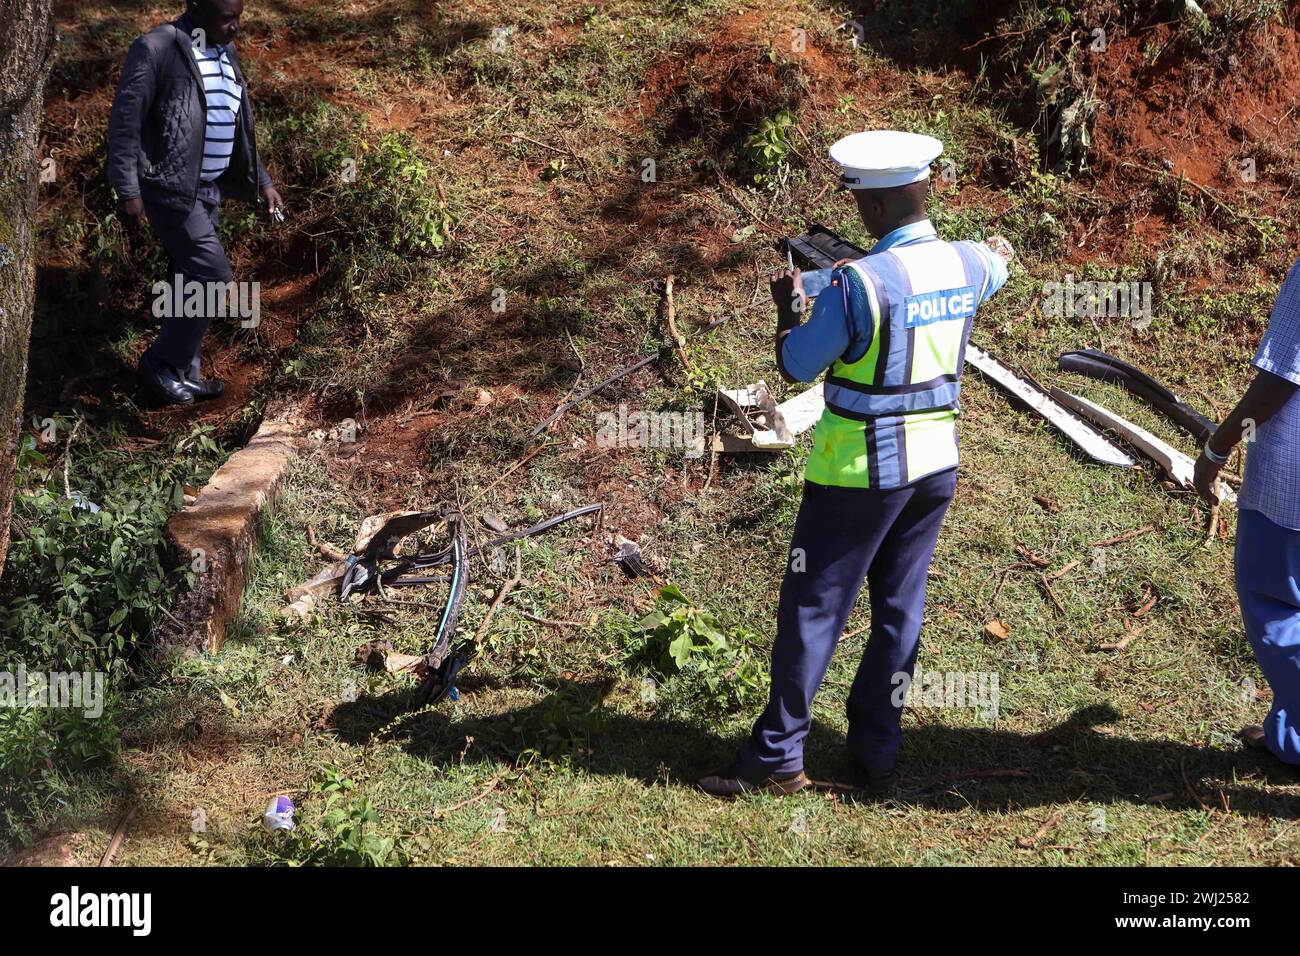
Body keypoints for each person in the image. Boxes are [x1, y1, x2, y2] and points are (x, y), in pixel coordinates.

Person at [699, 130, 1011, 798]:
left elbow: (795, 365)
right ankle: (876, 749)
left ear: (869, 208)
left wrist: (790, 310)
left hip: (858, 473)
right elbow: (997, 267)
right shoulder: (969, 265)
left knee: (814, 608)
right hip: (936, 465)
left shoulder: (858, 283)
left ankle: (778, 757)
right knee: (900, 606)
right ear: (925, 192)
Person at [107, 0, 283, 406]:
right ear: (196, 8)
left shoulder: (224, 52)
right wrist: (128, 190)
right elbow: (125, 121)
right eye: (227, 18)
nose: (235, 27)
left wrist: (263, 181)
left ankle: (184, 375)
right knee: (213, 274)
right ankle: (160, 362)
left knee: (189, 280)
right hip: (171, 188)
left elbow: (234, 122)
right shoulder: (159, 47)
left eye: (239, 17)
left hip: (209, 190)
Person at [1194, 258, 1300, 767]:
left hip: (1289, 490)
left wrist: (1217, 448)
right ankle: (1290, 729)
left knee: (1275, 602)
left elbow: (1280, 380)